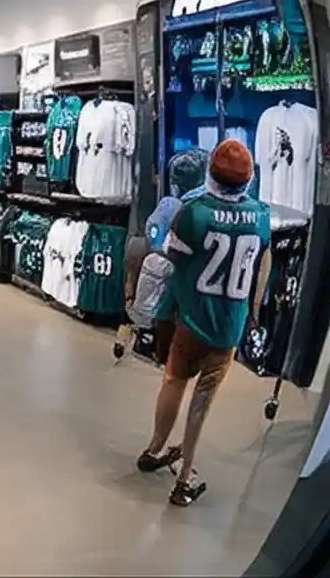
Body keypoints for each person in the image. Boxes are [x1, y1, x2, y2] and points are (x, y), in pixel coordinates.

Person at [137, 139, 270, 507]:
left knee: (173, 380)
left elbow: (173, 261)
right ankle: (184, 478)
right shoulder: (260, 214)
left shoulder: (193, 211)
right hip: (229, 325)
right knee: (203, 399)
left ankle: (153, 449)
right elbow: (262, 264)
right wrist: (254, 312)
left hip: (189, 320)